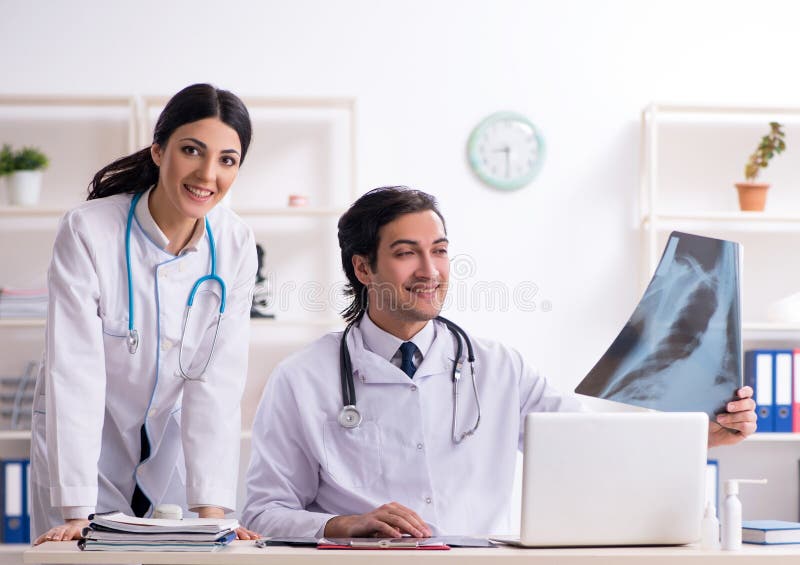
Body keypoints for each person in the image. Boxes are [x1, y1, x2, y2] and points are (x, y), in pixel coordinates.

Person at [241, 186, 757, 538]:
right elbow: (262, 513)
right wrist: (338, 524)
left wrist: (702, 434)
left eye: (439, 250)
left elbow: (591, 446)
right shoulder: (302, 379)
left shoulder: (498, 368)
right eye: (406, 253)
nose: (430, 270)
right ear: (362, 267)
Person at [31, 83, 260, 543]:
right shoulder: (89, 230)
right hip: (85, 450)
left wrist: (213, 513)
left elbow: (216, 380)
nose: (207, 173)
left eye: (227, 160)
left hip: (172, 449)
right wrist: (77, 509)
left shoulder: (235, 244)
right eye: (191, 150)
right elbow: (75, 371)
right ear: (158, 150)